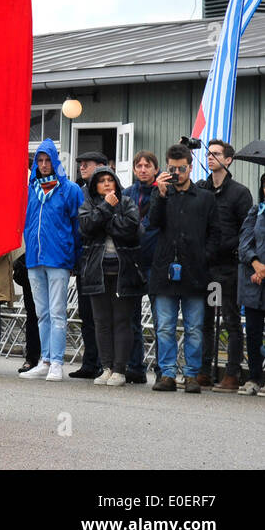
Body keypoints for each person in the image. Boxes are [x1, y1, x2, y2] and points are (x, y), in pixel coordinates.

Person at [149, 143, 217, 393]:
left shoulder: (205, 197)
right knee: (165, 326)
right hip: (165, 270)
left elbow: (215, 233)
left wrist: (204, 256)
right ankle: (166, 374)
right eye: (172, 168)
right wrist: (161, 194)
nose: (177, 173)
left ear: (190, 167)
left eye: (181, 168)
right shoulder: (162, 194)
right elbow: (151, 224)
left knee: (195, 328)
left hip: (195, 272)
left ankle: (191, 375)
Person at [19, 138, 83, 382]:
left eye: (48, 160)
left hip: (59, 258)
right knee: (41, 313)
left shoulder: (70, 189)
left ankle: (57, 362)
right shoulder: (30, 190)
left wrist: (75, 257)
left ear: (55, 162)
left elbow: (78, 226)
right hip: (35, 258)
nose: (44, 165)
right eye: (40, 161)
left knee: (57, 312)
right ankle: (44, 360)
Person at [196, 139, 253, 391]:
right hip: (207, 267)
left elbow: (246, 230)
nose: (211, 157)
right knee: (207, 319)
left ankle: (232, 373)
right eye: (209, 153)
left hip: (229, 267)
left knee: (230, 320)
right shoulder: (202, 189)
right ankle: (205, 370)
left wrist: (231, 247)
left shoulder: (239, 193)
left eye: (216, 154)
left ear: (228, 160)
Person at [77, 167, 142, 386]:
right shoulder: (89, 204)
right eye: (102, 181)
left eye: (110, 180)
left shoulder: (127, 202)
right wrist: (106, 208)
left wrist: (106, 219)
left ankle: (120, 370)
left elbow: (131, 229)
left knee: (122, 321)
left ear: (116, 183)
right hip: (97, 271)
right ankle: (106, 367)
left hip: (124, 270)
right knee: (101, 322)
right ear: (95, 185)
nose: (106, 184)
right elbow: (85, 227)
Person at [120, 150, 161, 383]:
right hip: (133, 262)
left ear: (156, 169)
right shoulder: (127, 194)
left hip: (155, 263)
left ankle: (161, 369)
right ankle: (135, 366)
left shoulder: (163, 192)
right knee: (132, 319)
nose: (143, 169)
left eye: (148, 165)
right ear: (134, 169)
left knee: (159, 320)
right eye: (139, 166)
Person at [67, 150, 109, 380]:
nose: (82, 167)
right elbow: (77, 229)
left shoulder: (111, 192)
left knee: (104, 316)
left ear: (102, 165)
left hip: (106, 262)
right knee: (87, 316)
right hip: (84, 261)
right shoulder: (81, 192)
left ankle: (107, 363)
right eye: (80, 164)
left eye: (87, 164)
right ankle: (90, 362)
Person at [236, 174, 265, 395]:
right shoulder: (256, 212)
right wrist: (256, 265)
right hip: (255, 283)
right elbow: (244, 244)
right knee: (253, 333)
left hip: (261, 276)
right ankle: (255, 377)